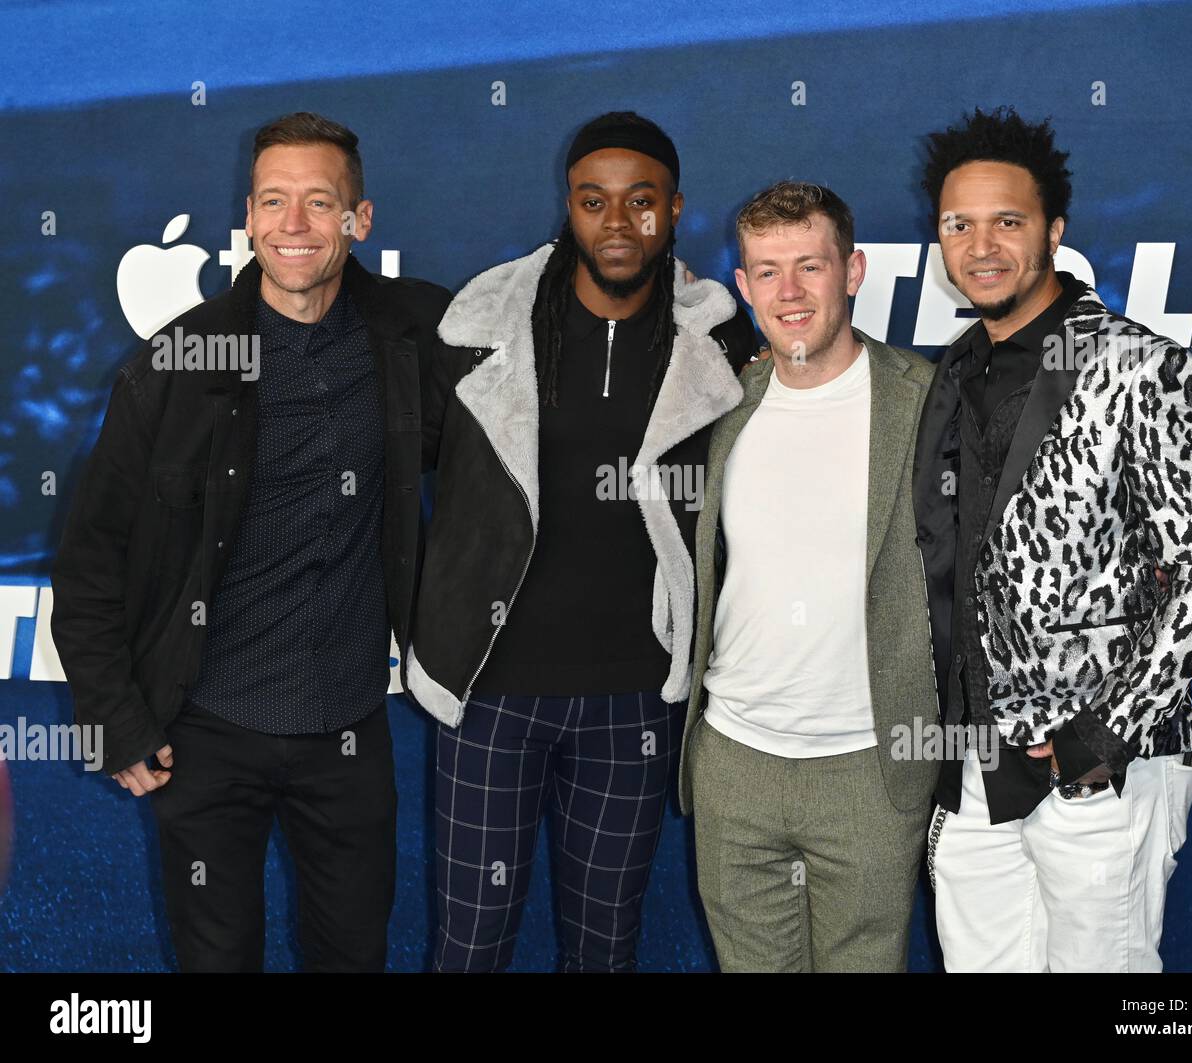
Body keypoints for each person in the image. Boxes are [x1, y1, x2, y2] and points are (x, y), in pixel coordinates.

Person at [51, 112, 451, 971]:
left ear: (361, 219)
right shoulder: (176, 364)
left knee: (352, 957)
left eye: (319, 201)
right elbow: (90, 564)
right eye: (274, 201)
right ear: (248, 217)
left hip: (348, 734)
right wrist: (115, 721)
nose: (294, 224)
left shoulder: (417, 340)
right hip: (203, 739)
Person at [403, 112, 756, 971]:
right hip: (491, 692)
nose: (619, 222)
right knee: (470, 943)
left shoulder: (725, 347)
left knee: (604, 946)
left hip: (633, 701)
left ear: (675, 208)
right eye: (595, 201)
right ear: (568, 207)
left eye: (641, 201)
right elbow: (394, 475)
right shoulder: (479, 329)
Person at [912, 106, 1192, 972]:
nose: (981, 245)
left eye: (1007, 221)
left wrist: (1106, 734)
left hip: (1099, 769)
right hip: (976, 767)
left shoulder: (1140, 366)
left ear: (1055, 231)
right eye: (959, 224)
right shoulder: (951, 372)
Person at [679, 181, 940, 971]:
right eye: (766, 271)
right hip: (733, 764)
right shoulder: (723, 403)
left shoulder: (929, 402)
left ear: (853, 270)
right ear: (743, 285)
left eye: (809, 267)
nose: (788, 293)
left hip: (870, 766)